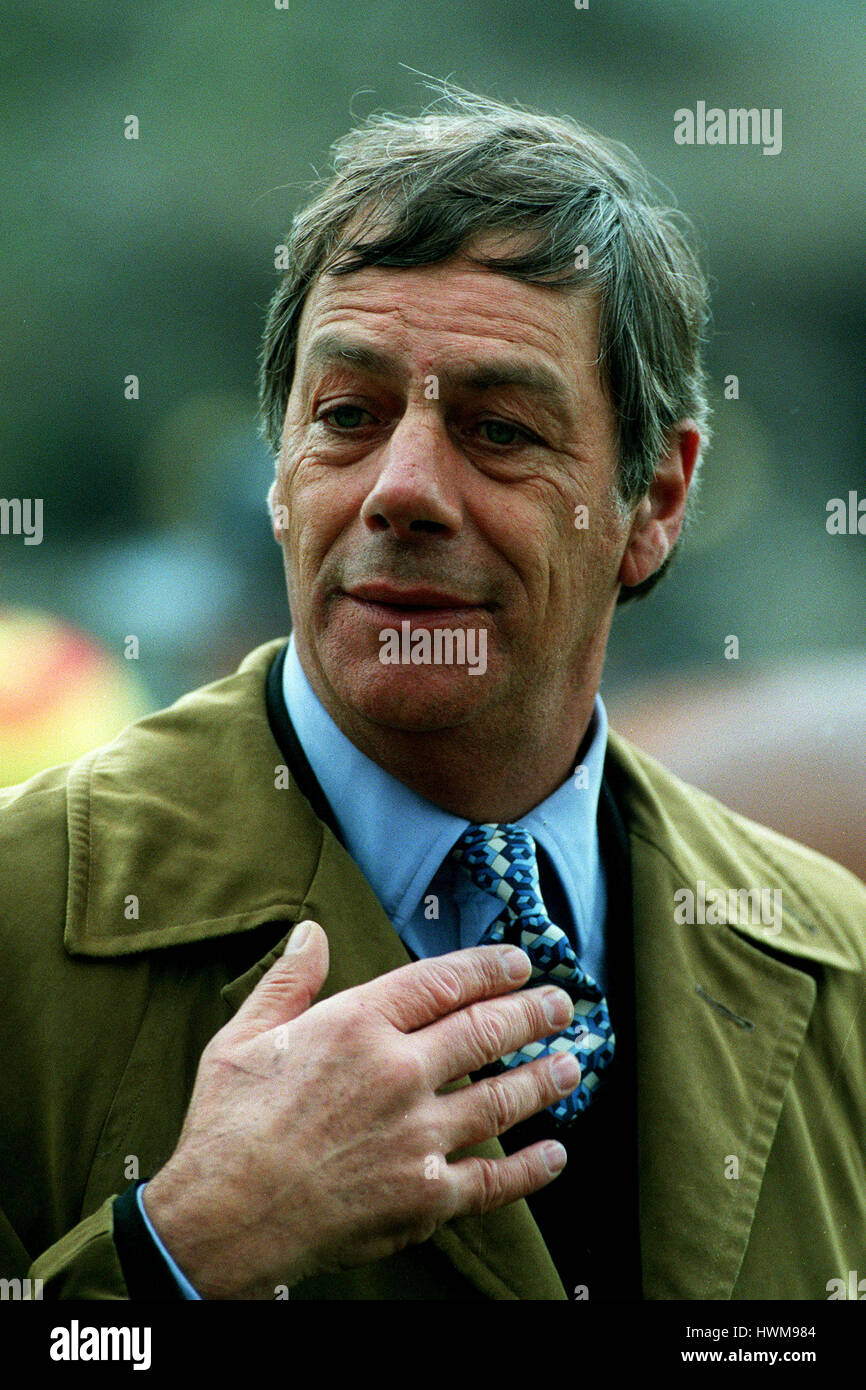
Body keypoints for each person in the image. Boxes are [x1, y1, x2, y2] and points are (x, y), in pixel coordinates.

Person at [2, 83, 865, 1303]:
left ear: (654, 500)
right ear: (281, 470)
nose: (400, 487)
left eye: (499, 429)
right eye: (345, 416)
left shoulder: (833, 964)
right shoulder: (18, 923)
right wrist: (184, 1251)